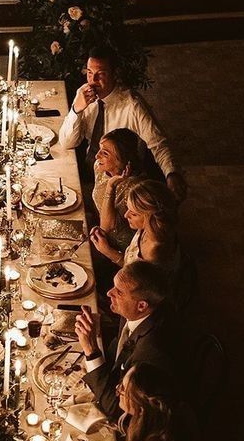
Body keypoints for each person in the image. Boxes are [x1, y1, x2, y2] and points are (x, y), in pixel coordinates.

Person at [58, 46, 187, 201]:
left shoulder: (132, 105)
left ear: (114, 74)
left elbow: (158, 143)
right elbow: (66, 143)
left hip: (120, 184)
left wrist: (172, 174)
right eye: (90, 73)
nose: (93, 81)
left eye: (101, 74)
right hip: (89, 173)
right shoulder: (85, 96)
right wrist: (76, 110)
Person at [75, 261, 178, 421]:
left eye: (119, 292)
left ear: (142, 305)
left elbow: (117, 410)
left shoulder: (151, 353)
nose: (109, 293)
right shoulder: (133, 313)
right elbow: (117, 358)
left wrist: (91, 351)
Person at [90, 178, 181, 276]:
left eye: (134, 214)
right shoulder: (149, 228)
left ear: (152, 218)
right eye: (128, 209)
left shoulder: (154, 252)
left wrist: (107, 251)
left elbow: (136, 278)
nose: (126, 215)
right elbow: (132, 263)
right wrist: (105, 246)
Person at [92, 128, 148, 254]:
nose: (97, 156)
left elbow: (107, 228)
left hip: (120, 249)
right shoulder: (100, 167)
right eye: (100, 149)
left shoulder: (133, 189)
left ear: (122, 160)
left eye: (105, 153)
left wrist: (111, 186)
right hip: (100, 234)